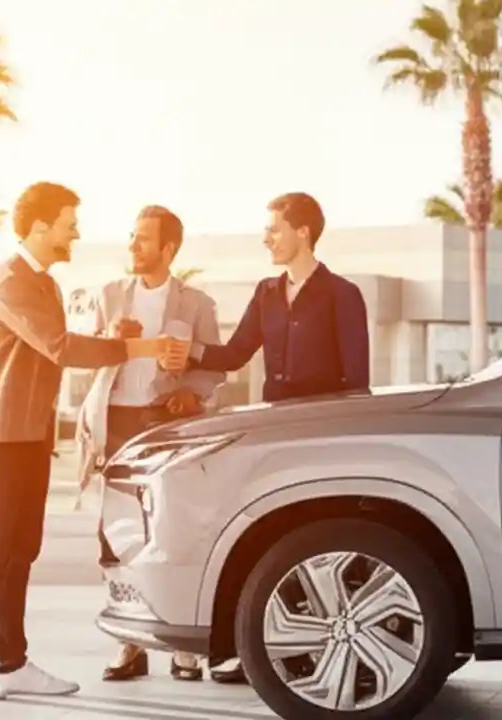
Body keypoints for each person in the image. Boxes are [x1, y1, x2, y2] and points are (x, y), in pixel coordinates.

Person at [0, 182, 187, 701]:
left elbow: (63, 340)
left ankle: (12, 662)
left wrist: (113, 337)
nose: (75, 231)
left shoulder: (46, 284)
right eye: (67, 223)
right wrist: (138, 345)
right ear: (39, 228)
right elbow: (59, 346)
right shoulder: (8, 281)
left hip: (30, 435)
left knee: (20, 550)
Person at [186, 192, 371, 683]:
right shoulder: (267, 292)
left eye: (274, 228)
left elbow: (358, 380)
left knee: (317, 546)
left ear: (302, 232)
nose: (265, 237)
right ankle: (263, 651)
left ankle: (319, 651)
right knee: (272, 539)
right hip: (276, 439)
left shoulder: (342, 294)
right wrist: (184, 352)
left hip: (324, 441)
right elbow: (234, 354)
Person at [76, 205, 223, 683]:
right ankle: (129, 644)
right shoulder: (109, 295)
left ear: (169, 248)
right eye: (133, 237)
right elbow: (86, 355)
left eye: (144, 239)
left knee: (171, 530)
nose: (134, 246)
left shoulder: (197, 304)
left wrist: (189, 393)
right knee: (116, 535)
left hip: (166, 424)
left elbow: (213, 369)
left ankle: (182, 649)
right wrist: (110, 340)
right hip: (116, 422)